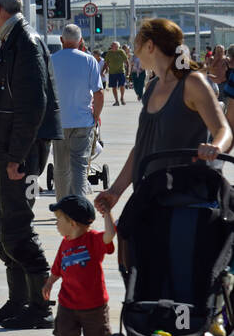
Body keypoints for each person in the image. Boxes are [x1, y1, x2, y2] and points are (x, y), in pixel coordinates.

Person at [0, 0, 63, 330]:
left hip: (19, 150)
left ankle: (40, 308)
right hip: (4, 145)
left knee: (17, 231)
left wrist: (17, 156)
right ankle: (18, 301)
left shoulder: (25, 42)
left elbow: (33, 104)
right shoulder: (9, 42)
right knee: (1, 231)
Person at [95, 18, 233, 219]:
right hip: (154, 194)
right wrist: (115, 191)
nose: (134, 53)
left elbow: (224, 130)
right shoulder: (152, 89)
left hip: (189, 199)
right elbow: (141, 147)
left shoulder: (192, 83)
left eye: (137, 46)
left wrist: (216, 147)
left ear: (150, 46)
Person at [42, 195, 116, 336]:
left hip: (94, 304)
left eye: (59, 219)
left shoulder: (93, 240)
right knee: (63, 334)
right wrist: (50, 283)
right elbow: (58, 268)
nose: (56, 224)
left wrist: (107, 213)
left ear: (72, 223)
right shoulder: (65, 243)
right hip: (68, 302)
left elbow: (110, 234)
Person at [48, 23, 103, 201]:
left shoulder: (51, 60)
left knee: (61, 168)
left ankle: (63, 206)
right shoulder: (89, 60)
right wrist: (95, 116)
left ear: (62, 40)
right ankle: (77, 205)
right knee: (79, 166)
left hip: (59, 122)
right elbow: (99, 93)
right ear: (80, 41)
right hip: (82, 121)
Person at [102, 40, 129, 106]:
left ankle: (122, 98)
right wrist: (102, 71)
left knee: (122, 85)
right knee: (113, 87)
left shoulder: (121, 52)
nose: (112, 47)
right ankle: (116, 101)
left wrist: (128, 72)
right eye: (112, 45)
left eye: (114, 45)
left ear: (118, 46)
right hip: (112, 72)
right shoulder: (109, 53)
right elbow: (106, 63)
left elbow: (127, 62)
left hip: (121, 71)